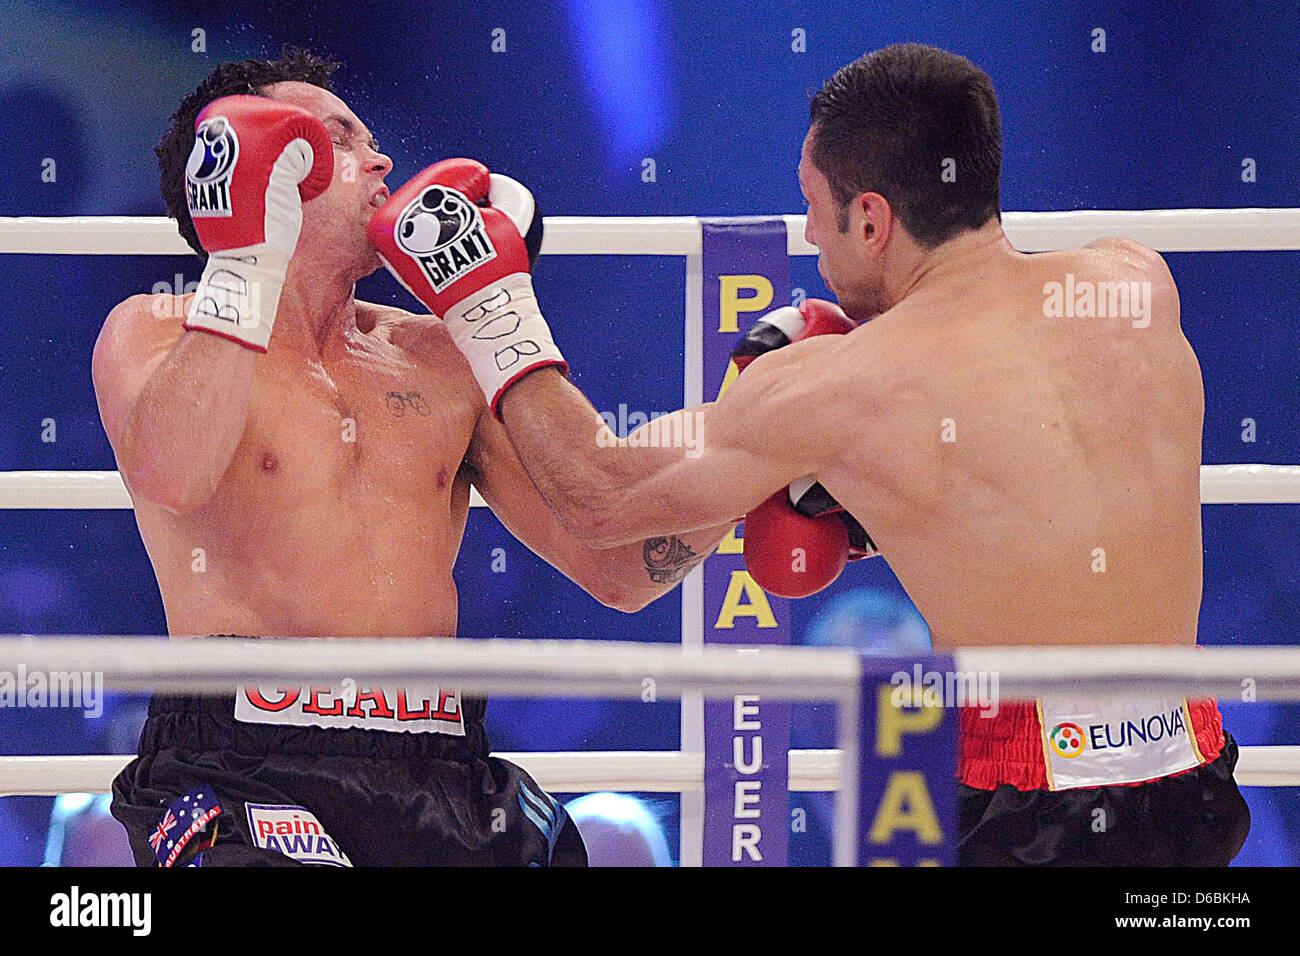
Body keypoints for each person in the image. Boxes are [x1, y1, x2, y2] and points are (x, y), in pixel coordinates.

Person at [401, 43, 1250, 866]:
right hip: (1194, 768)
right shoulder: (1135, 282)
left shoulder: (838, 387)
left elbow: (597, 493)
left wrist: (489, 300)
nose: (809, 234)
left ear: (872, 217)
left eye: (814, 205)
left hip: (1036, 801)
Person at [93, 49, 731, 867]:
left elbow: (622, 568)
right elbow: (172, 472)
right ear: (252, 167)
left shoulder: (441, 357)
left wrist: (761, 433)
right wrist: (244, 257)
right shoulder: (156, 330)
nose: (383, 158)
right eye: (339, 138)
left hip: (438, 760)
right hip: (242, 756)